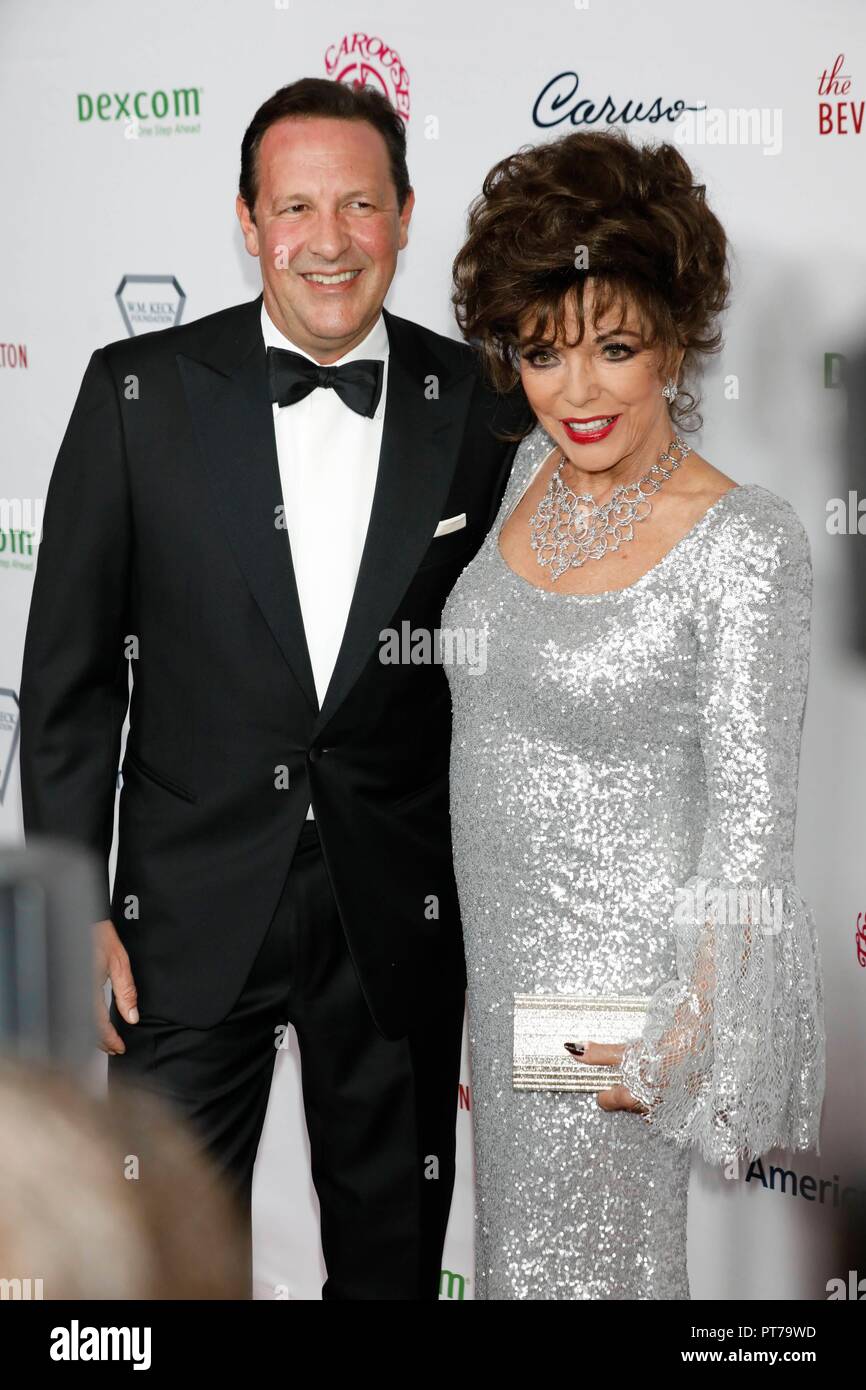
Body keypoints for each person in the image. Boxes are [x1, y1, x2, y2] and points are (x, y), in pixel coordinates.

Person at [18, 77, 521, 1300]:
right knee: (153, 1260)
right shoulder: (135, 394)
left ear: (405, 212)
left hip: (397, 923)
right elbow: (72, 682)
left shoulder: (485, 411)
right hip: (179, 927)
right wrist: (76, 905)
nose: (329, 238)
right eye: (294, 206)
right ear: (246, 222)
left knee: (393, 1262)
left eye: (359, 202)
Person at [443, 128, 826, 1299]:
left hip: (613, 1016)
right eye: (543, 353)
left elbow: (752, 831)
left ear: (674, 335)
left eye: (613, 347)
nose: (577, 391)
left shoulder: (743, 544)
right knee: (517, 1268)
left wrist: (685, 1028)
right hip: (500, 986)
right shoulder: (526, 478)